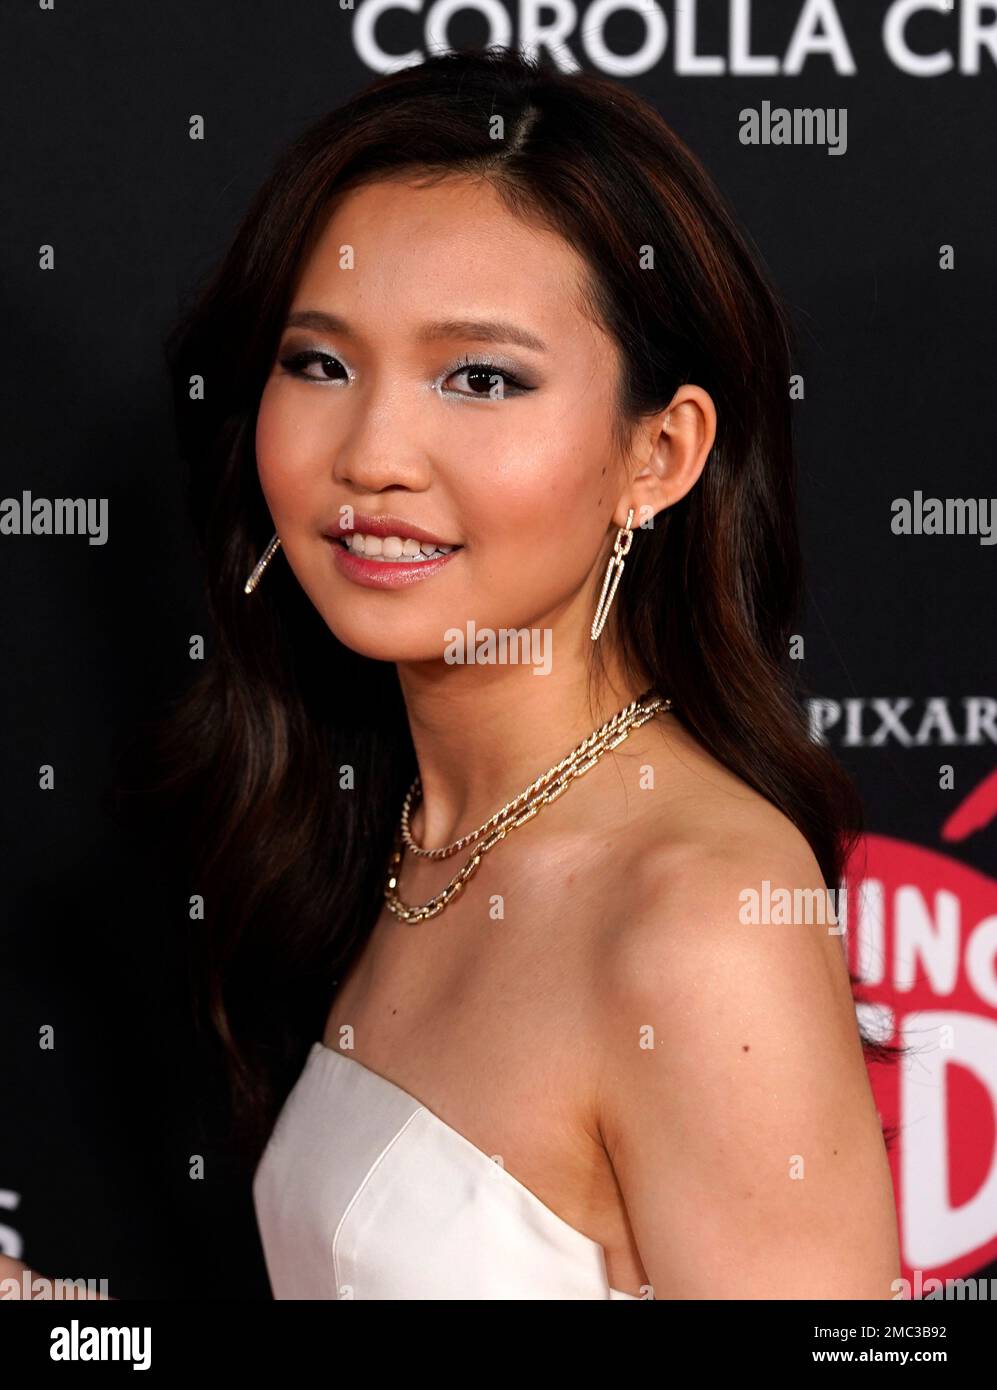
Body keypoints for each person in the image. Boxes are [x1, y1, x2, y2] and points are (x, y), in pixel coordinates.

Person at [115, 45, 900, 1300]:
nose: (371, 452)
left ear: (659, 452)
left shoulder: (696, 915)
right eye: (319, 362)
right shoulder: (413, 825)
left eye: (479, 377)